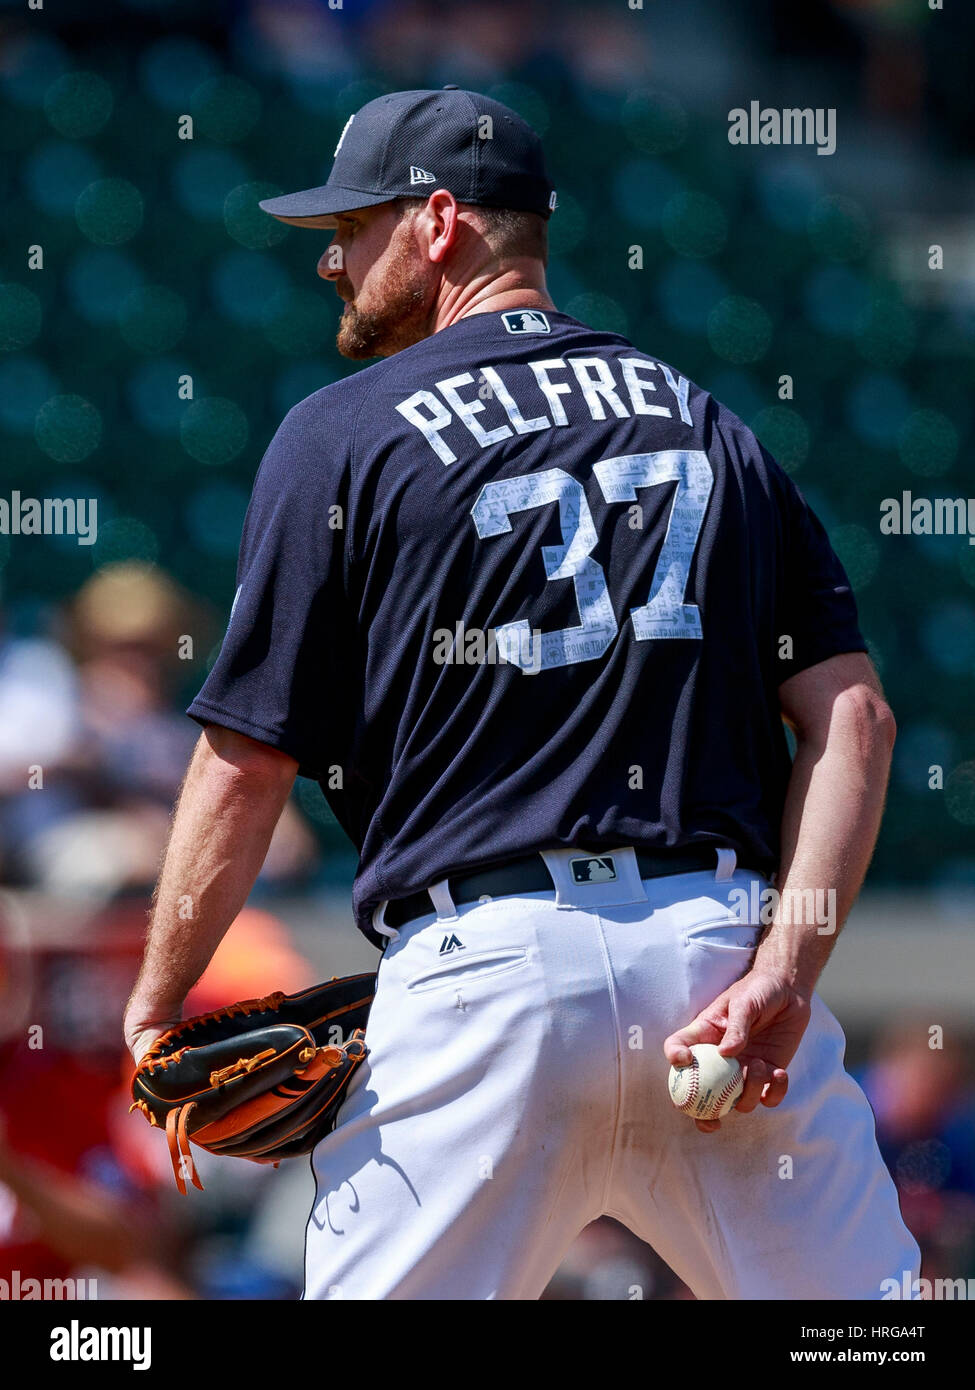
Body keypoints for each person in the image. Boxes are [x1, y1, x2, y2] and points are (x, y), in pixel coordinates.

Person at [124, 87, 920, 1300]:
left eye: (353, 227)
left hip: (481, 980)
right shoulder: (711, 424)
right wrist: (784, 976)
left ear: (438, 222)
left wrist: (158, 1001)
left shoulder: (343, 434)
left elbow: (245, 764)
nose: (333, 262)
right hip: (716, 970)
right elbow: (854, 717)